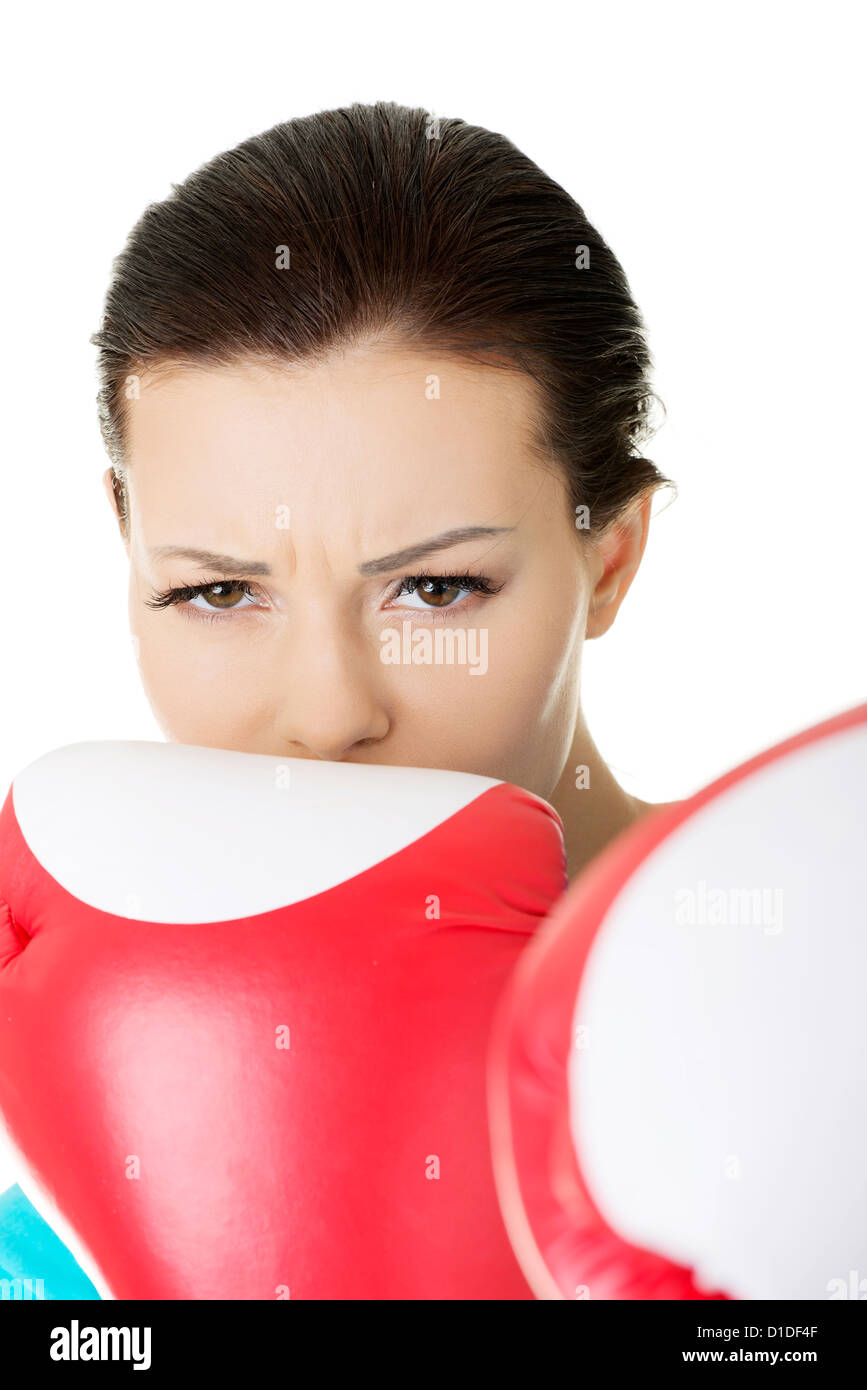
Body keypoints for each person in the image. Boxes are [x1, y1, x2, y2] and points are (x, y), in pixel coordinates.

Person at [92, 100, 677, 883]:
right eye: (223, 592)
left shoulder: (816, 951)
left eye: (434, 590)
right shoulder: (59, 981)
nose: (329, 722)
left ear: (609, 561)